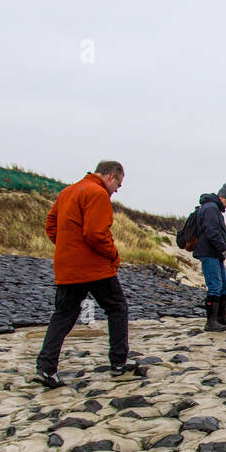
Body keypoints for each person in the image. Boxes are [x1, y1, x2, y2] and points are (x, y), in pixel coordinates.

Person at [34, 161, 142, 388]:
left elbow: (51, 224)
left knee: (63, 314)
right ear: (111, 177)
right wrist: (113, 254)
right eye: (118, 186)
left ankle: (45, 367)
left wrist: (67, 246)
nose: (116, 191)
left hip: (68, 266)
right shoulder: (97, 193)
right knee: (117, 307)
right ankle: (119, 361)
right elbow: (95, 233)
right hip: (95, 267)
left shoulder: (68, 191)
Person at [195, 181, 226, 332]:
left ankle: (221, 318)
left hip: (215, 254)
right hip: (209, 253)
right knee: (214, 285)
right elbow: (212, 232)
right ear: (222, 197)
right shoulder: (211, 209)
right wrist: (225, 251)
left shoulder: (214, 209)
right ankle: (211, 322)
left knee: (223, 284)